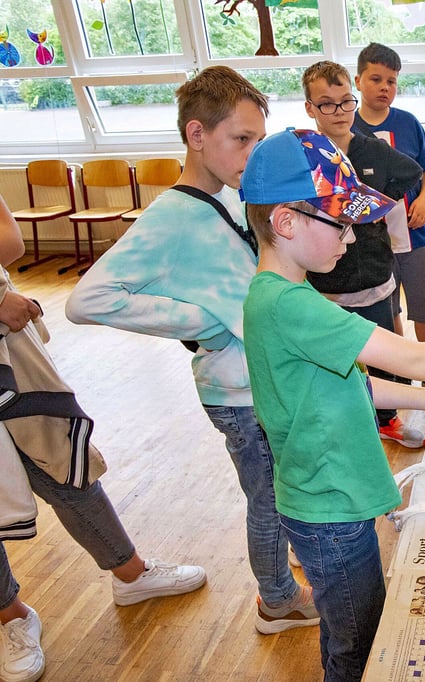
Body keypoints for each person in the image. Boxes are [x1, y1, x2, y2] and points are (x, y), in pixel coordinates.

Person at [239, 127, 425, 680]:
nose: (351, 239)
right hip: (330, 512)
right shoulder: (293, 307)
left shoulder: (279, 298)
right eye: (341, 224)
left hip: (329, 502)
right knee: (359, 644)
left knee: (349, 628)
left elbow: (354, 387)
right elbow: (417, 358)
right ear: (286, 222)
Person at [64, 66, 319, 636]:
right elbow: (87, 300)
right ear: (197, 135)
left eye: (258, 139)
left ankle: (286, 575)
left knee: (279, 493)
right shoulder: (172, 214)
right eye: (241, 139)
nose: (252, 153)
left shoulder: (226, 199)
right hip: (237, 388)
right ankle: (277, 600)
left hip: (262, 378)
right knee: (268, 500)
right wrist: (203, 319)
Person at [0, 194, 205, 682]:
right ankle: (12, 617)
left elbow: (9, 241)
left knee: (60, 463)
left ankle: (130, 573)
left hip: (10, 355)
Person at [301, 59, 425, 449]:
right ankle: (340, 421)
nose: (338, 112)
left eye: (345, 102)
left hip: (373, 274)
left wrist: (368, 206)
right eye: (327, 104)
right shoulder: (302, 152)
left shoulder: (372, 149)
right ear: (310, 107)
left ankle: (387, 419)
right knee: (330, 358)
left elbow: (411, 174)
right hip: (324, 283)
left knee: (384, 351)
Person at [352, 42, 425, 347]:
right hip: (372, 241)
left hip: (414, 235)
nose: (384, 87)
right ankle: (401, 374)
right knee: (387, 311)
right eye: (376, 79)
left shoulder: (407, 123)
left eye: (391, 81)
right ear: (358, 81)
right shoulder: (347, 127)